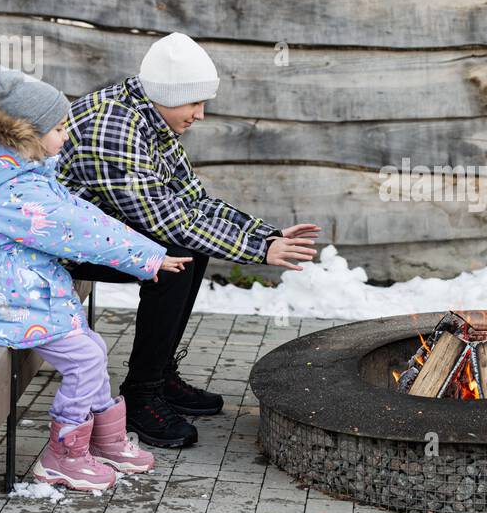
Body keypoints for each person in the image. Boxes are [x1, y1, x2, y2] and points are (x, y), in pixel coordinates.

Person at [57, 32, 320, 449]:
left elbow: (193, 200)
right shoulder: (114, 127)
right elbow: (167, 221)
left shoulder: (150, 115)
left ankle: (158, 374)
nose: (200, 115)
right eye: (194, 103)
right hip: (58, 247)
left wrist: (263, 235)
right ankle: (142, 394)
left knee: (189, 249)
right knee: (173, 254)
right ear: (167, 92)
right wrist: (259, 251)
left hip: (97, 231)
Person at [0, 66, 191, 492]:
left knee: (92, 348)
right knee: (85, 359)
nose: (66, 136)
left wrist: (147, 252)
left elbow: (83, 217)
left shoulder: (21, 175)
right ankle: (63, 455)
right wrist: (149, 257)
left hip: (26, 293)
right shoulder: (18, 194)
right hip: (7, 304)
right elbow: (79, 230)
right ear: (25, 134)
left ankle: (106, 439)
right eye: (59, 128)